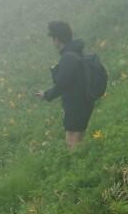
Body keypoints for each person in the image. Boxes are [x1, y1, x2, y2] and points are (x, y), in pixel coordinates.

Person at [39, 20, 93, 149]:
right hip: (83, 102)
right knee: (79, 139)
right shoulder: (75, 51)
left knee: (71, 140)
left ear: (57, 39)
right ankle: (80, 162)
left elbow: (61, 84)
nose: (52, 41)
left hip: (75, 104)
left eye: (53, 38)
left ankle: (76, 166)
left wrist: (46, 95)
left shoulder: (68, 57)